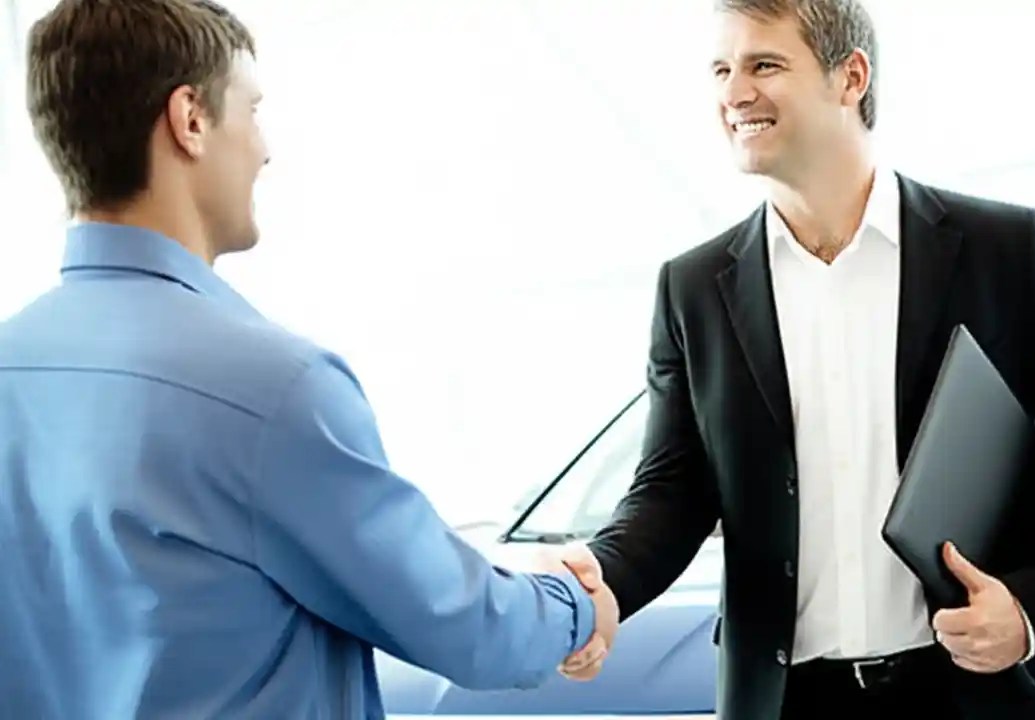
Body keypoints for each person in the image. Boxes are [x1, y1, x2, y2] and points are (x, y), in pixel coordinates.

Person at [0, 1, 617, 718]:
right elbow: (469, 629)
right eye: (252, 109)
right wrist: (571, 600)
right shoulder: (272, 390)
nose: (264, 148)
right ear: (190, 120)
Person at [553, 1, 1035, 718]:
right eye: (721, 69)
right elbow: (670, 492)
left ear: (851, 76)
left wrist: (1032, 607)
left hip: (975, 692)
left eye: (764, 64)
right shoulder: (692, 290)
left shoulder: (1004, 250)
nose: (734, 93)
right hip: (789, 702)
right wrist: (601, 584)